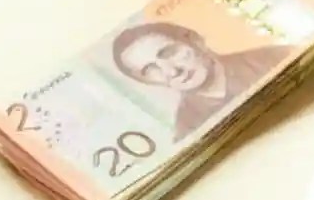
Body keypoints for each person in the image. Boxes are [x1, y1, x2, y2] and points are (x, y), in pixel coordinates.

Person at [111, 22, 292, 142]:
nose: (172, 71)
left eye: (168, 52)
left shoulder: (276, 57)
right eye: (150, 70)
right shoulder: (188, 132)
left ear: (195, 41)